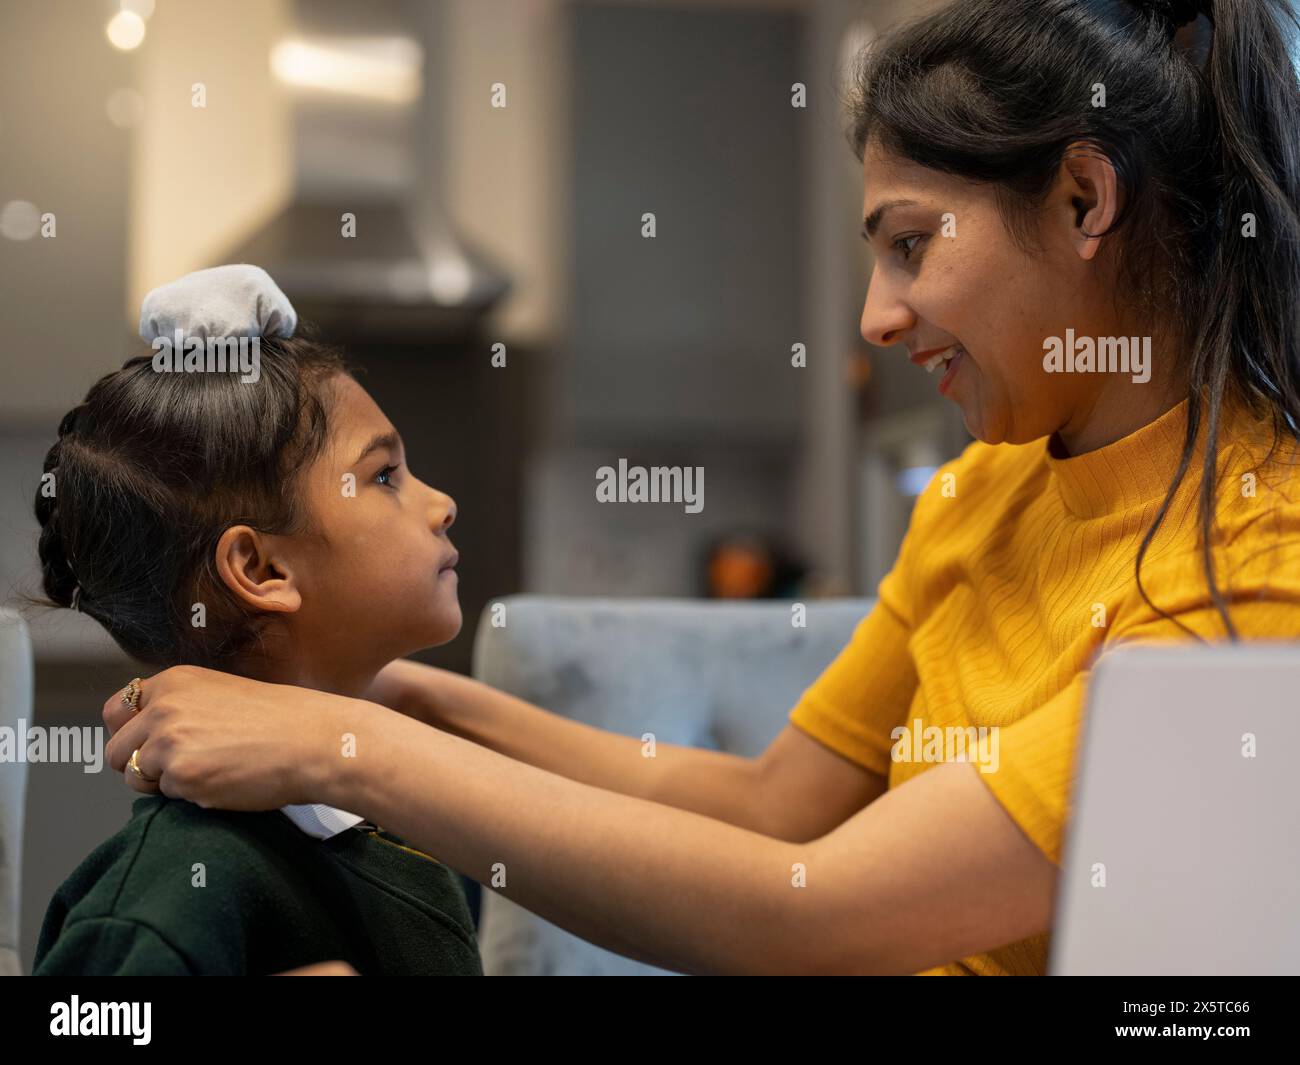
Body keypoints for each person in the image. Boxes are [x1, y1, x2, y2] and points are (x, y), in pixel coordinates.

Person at [103, 0, 1300, 974]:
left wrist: (343, 742)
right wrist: (412, 699)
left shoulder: (1262, 566)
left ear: (1085, 198)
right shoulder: (985, 490)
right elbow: (779, 808)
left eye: (908, 243)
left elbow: (811, 911)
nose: (878, 318)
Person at [32, 267, 481, 975]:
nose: (443, 502)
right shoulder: (172, 890)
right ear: (262, 569)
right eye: (385, 476)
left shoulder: (396, 824)